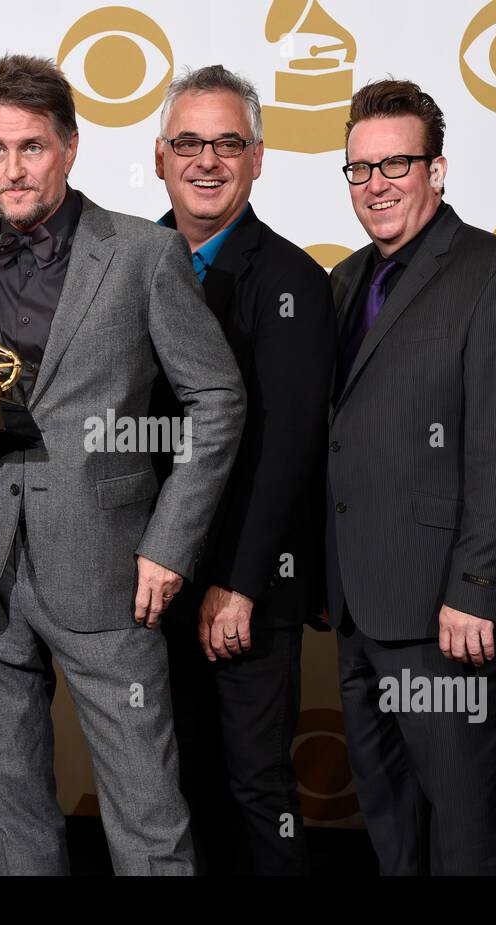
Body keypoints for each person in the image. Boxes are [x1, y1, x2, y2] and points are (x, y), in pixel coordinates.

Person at [0, 53, 245, 875]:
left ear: (69, 146)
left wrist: (170, 544)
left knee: (146, 815)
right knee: (13, 807)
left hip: (107, 568)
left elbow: (216, 399)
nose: (13, 168)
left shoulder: (140, 254)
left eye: (31, 147)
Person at [327, 79, 496, 874]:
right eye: (360, 168)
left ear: (439, 169)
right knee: (389, 821)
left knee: (461, 825)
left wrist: (478, 587)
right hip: (359, 606)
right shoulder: (347, 282)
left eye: (397, 163)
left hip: (448, 615)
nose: (376, 184)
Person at [153, 65, 334, 875]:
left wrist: (240, 584)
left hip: (243, 586)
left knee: (255, 784)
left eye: (228, 143)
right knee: (169, 784)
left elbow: (287, 449)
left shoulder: (293, 281)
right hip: (148, 584)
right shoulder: (130, 263)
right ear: (160, 155)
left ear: (257, 158)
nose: (207, 160)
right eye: (189, 142)